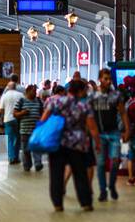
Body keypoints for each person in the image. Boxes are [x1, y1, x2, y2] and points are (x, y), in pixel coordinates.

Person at [39, 76, 100, 212]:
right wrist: (97, 143)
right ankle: (85, 203)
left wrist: (42, 136)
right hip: (77, 144)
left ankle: (58, 204)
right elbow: (92, 127)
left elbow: (43, 119)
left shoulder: (55, 103)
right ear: (80, 91)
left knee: (56, 174)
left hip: (57, 142)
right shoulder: (83, 106)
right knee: (80, 173)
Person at [92, 67, 129, 201]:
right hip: (99, 135)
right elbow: (88, 116)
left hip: (114, 133)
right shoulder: (93, 96)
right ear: (100, 80)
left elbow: (123, 113)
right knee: (101, 164)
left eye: (109, 79)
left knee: (114, 161)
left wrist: (126, 130)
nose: (108, 81)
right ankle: (103, 190)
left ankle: (112, 185)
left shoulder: (116, 95)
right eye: (105, 79)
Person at [14, 83, 44, 172]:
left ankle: (38, 163)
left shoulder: (39, 101)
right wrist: (22, 113)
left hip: (36, 130)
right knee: (26, 150)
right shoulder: (21, 101)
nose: (35, 93)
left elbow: (43, 113)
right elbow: (15, 114)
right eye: (33, 91)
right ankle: (27, 165)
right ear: (27, 91)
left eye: (35, 91)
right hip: (24, 130)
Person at [0, 77, 24, 163]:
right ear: (15, 87)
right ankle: (16, 157)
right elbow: (23, 107)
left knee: (9, 139)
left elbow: (1, 109)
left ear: (8, 87)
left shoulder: (4, 96)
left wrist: (3, 115)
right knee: (17, 138)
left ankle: (11, 157)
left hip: (8, 119)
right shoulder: (20, 95)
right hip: (18, 119)